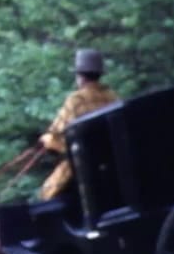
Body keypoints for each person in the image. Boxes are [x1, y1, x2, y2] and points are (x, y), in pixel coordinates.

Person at [38, 48, 119, 201]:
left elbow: (57, 133)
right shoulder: (112, 97)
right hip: (113, 160)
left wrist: (46, 140)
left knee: (48, 191)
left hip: (84, 162)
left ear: (80, 76)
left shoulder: (76, 100)